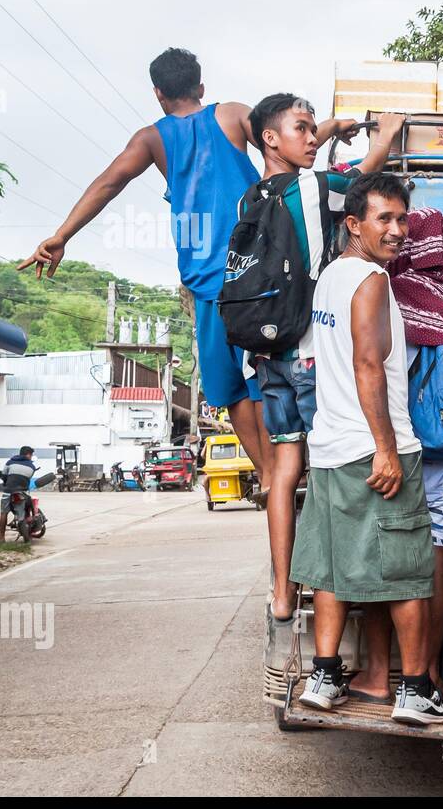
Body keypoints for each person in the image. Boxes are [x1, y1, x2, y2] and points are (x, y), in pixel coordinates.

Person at [18, 48, 356, 498]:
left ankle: (272, 474)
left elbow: (108, 182)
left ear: (158, 93)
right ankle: (287, 468)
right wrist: (333, 127)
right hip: (261, 273)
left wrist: (62, 235)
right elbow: (287, 138)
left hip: (209, 288)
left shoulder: (151, 140)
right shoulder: (233, 116)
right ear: (201, 86)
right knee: (262, 374)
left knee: (230, 387)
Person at [290, 171, 443, 725]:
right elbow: (367, 365)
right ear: (353, 224)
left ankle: (325, 677)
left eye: (403, 218)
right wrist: (386, 448)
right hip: (375, 447)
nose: (398, 230)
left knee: (334, 570)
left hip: (331, 448)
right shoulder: (371, 282)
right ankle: (412, 690)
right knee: (406, 571)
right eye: (384, 219)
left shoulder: (329, 279)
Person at [244, 93, 403, 621]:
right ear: (271, 138)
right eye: (302, 129)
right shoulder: (313, 186)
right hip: (311, 356)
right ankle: (344, 582)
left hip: (267, 357)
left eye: (315, 129)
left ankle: (283, 590)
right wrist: (385, 135)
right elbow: (364, 186)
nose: (312, 138)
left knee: (284, 470)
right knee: (333, 469)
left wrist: (332, 127)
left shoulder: (252, 198)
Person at [347, 205, 443, 703]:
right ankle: (427, 674)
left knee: (384, 560)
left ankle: (377, 673)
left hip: (391, 447)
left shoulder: (386, 288)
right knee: (436, 557)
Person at [0, 446, 37, 542]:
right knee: (21, 514)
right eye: (31, 455)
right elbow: (27, 479)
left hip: (8, 491)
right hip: (21, 492)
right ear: (28, 455)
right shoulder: (31, 467)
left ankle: (1, 537)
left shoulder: (10, 462)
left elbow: (4, 476)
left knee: (3, 513)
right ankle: (26, 534)